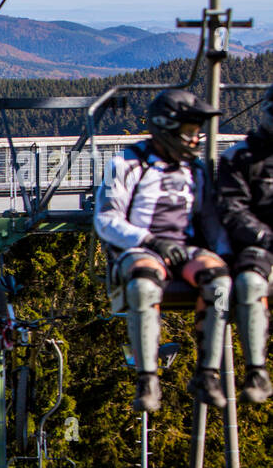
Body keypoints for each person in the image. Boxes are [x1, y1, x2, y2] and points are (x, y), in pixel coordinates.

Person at [94, 88, 230, 412]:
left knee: (219, 283)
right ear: (166, 129)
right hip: (143, 246)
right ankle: (148, 377)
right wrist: (150, 240)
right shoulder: (126, 163)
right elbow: (106, 217)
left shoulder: (196, 171)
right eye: (188, 132)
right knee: (143, 284)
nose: (194, 140)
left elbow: (211, 223)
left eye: (197, 133)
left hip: (185, 249)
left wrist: (229, 257)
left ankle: (207, 372)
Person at [215, 83, 273, 403]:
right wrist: (262, 236)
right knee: (250, 283)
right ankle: (256, 369)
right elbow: (231, 208)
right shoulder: (240, 157)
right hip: (257, 246)